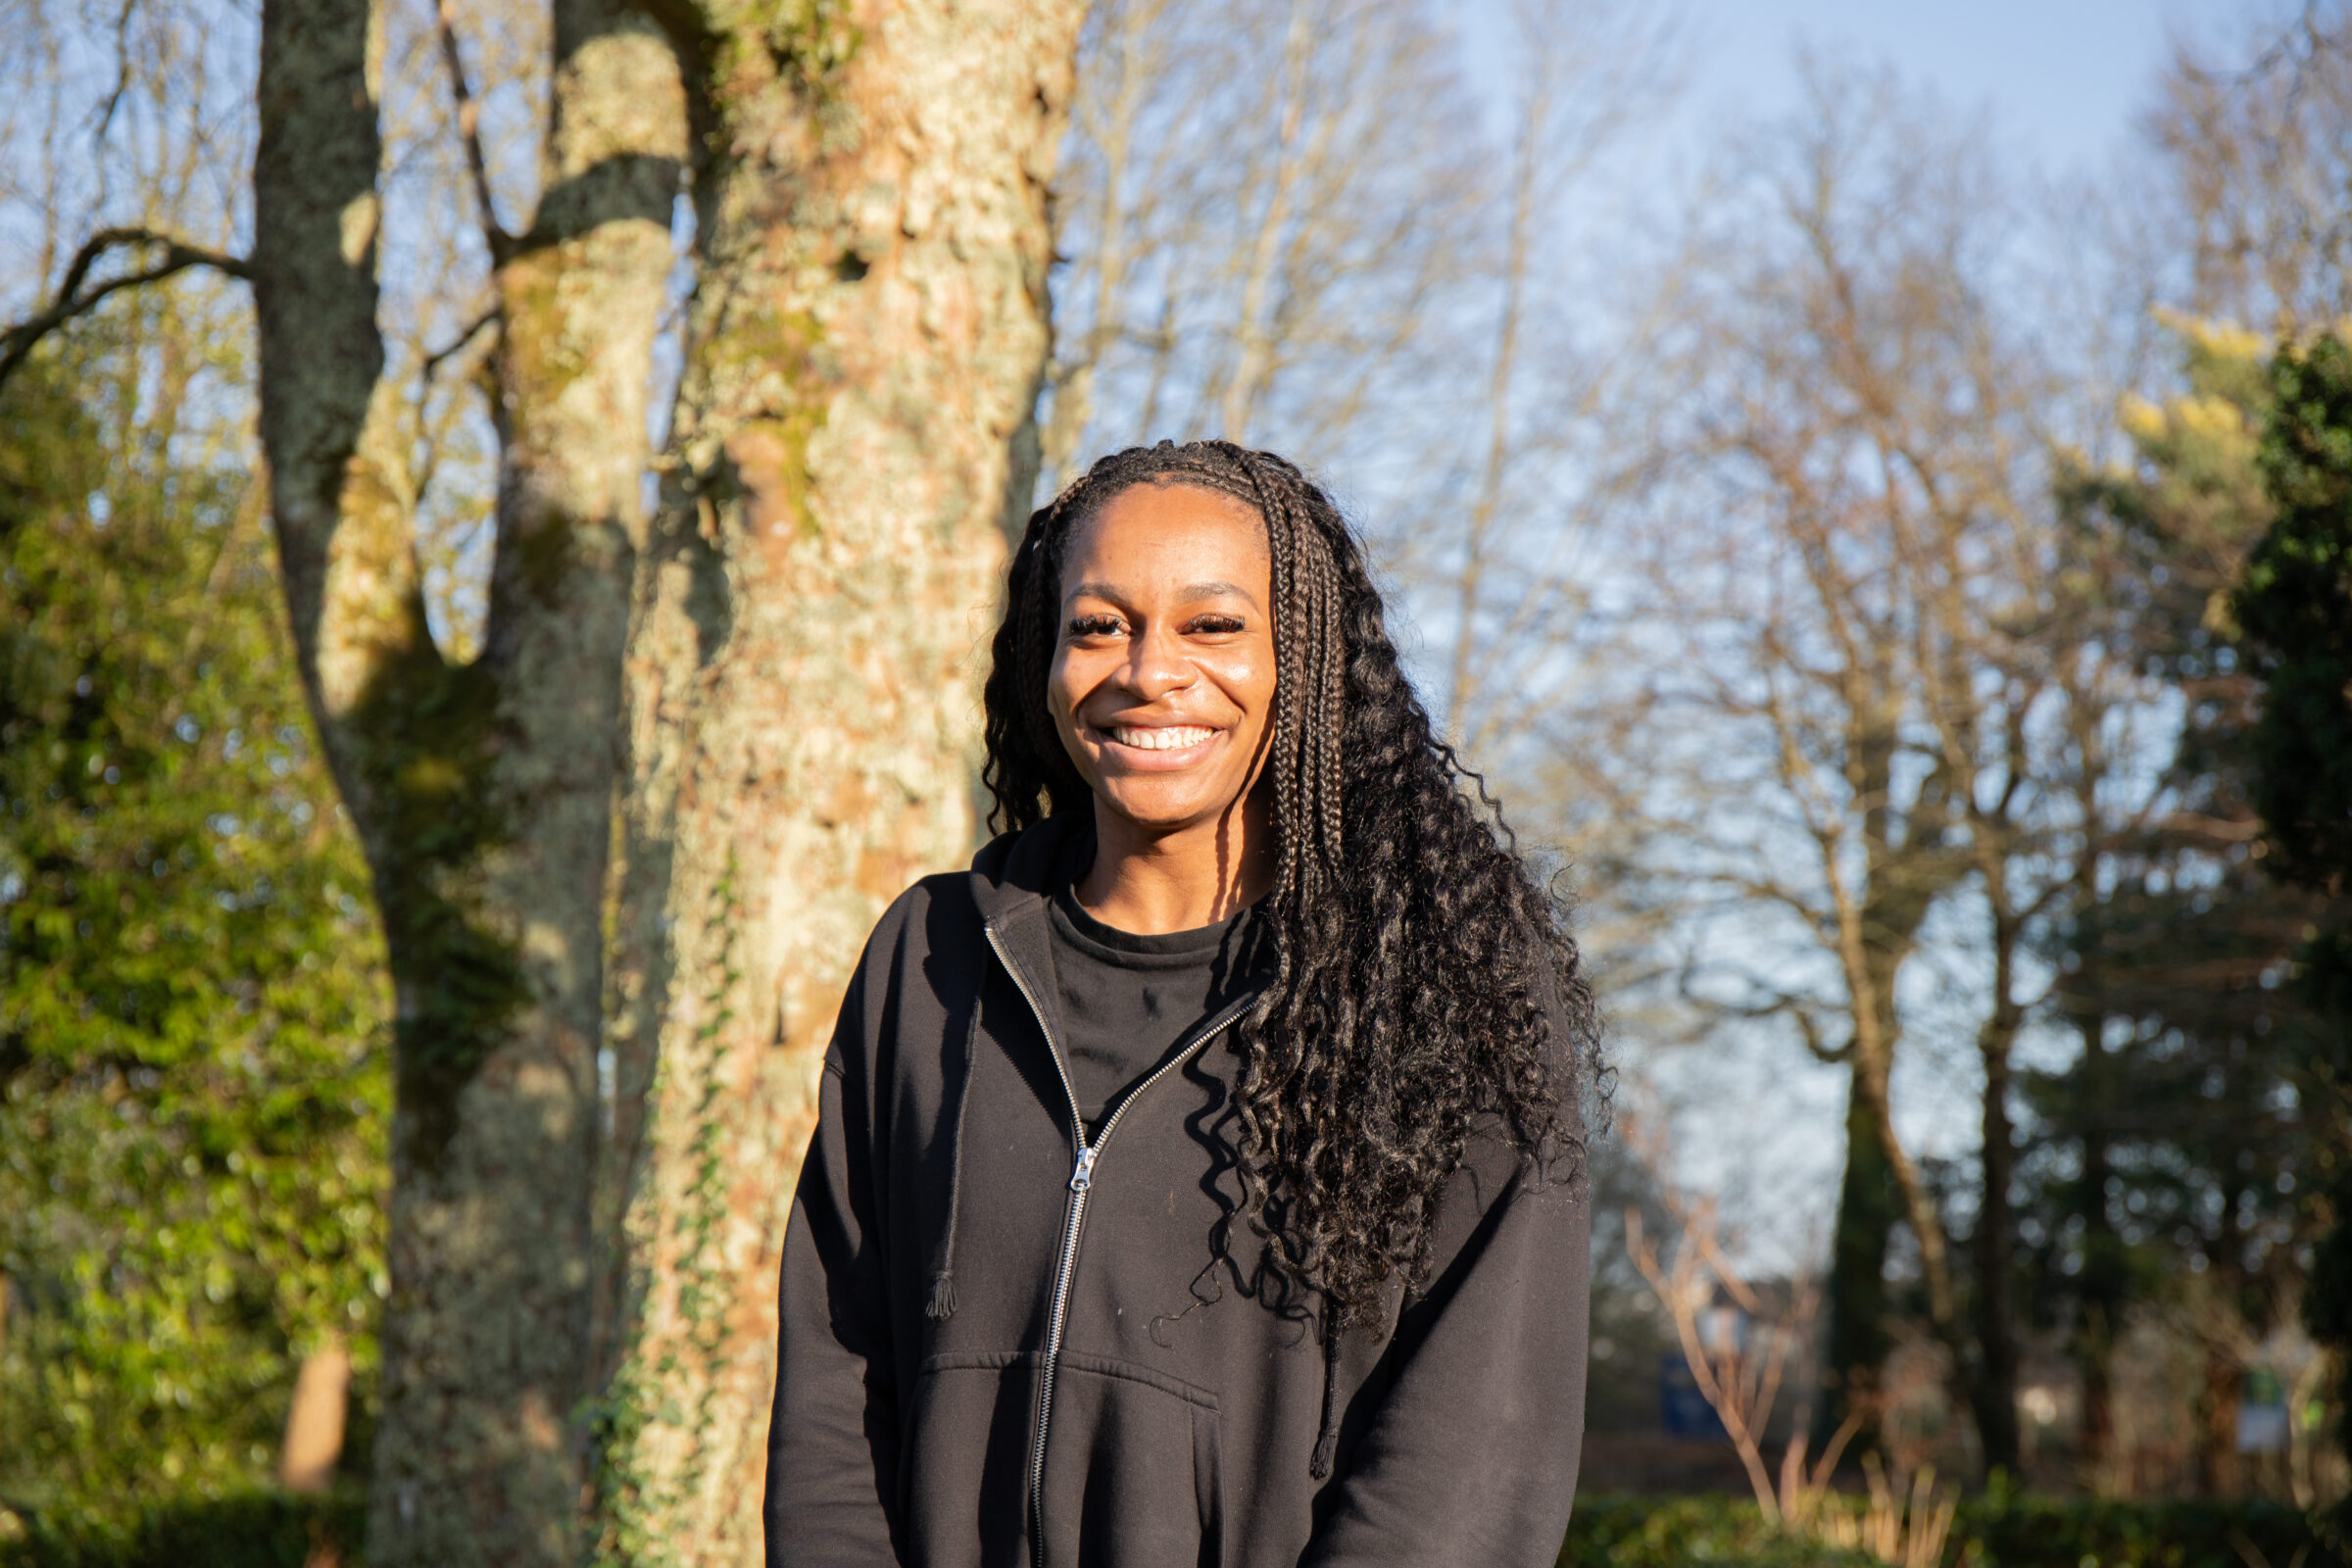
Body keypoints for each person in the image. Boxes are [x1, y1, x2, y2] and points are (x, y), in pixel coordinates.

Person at [764, 440, 1596, 1568]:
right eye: (1100, 625)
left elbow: (1468, 1461)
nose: (1149, 671)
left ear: (1300, 660)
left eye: (1213, 627)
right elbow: (836, 1380)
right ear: (1043, 657)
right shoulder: (933, 960)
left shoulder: (1449, 991)